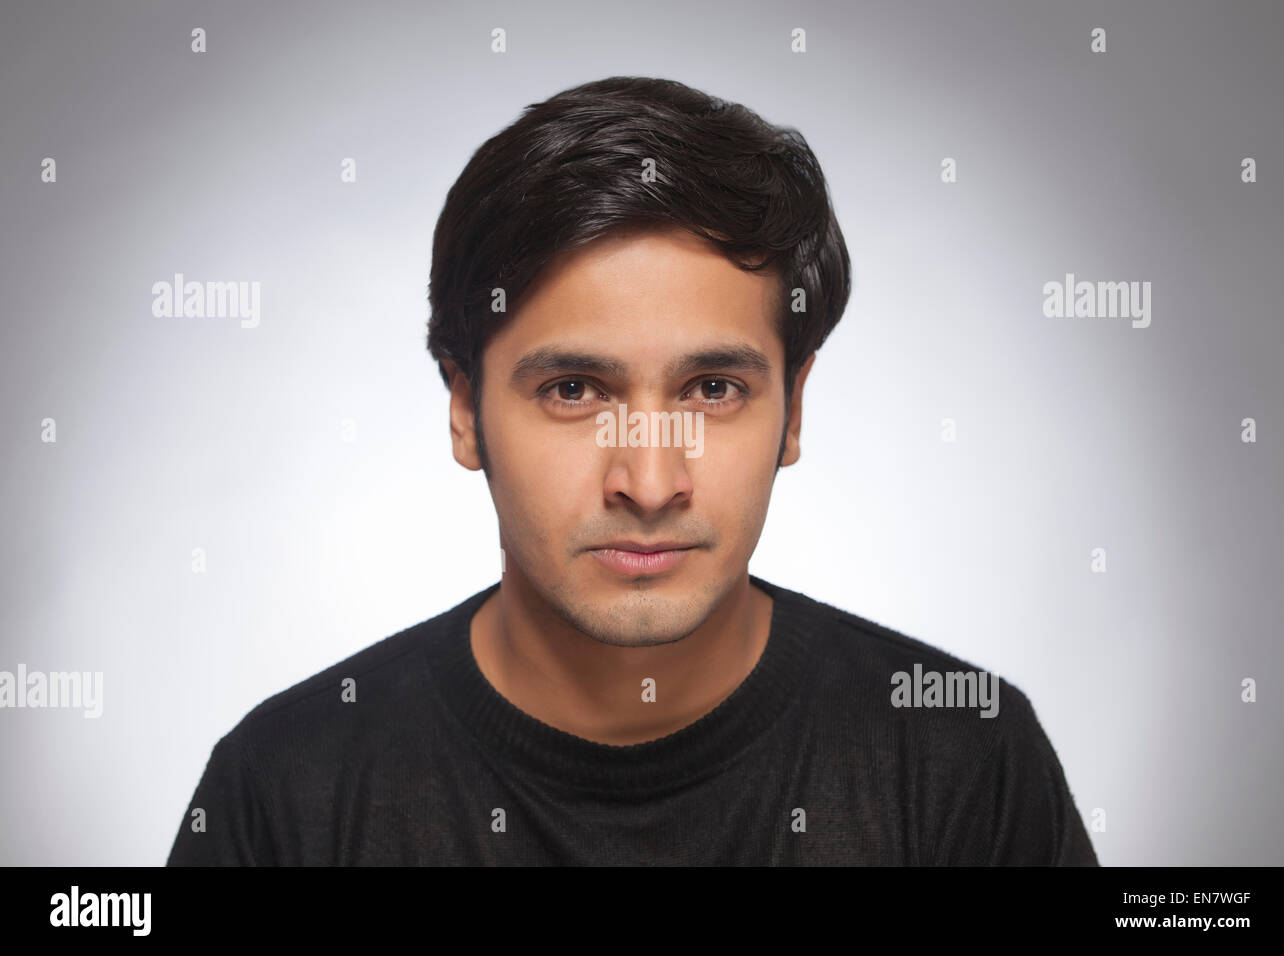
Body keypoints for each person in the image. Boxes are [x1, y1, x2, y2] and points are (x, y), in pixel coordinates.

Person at [167, 76, 1098, 865]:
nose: (650, 485)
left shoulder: (962, 763)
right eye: (574, 389)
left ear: (795, 410)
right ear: (465, 410)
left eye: (713, 389)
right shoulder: (284, 791)